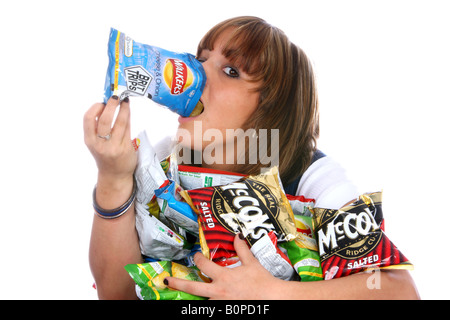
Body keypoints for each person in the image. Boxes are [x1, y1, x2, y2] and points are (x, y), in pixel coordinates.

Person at [84, 16, 419, 299]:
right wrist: (112, 179)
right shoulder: (160, 161)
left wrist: (274, 293)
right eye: (200, 60)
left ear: (271, 109)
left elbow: (397, 290)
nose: (196, 74)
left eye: (231, 71)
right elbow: (117, 294)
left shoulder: (309, 175)